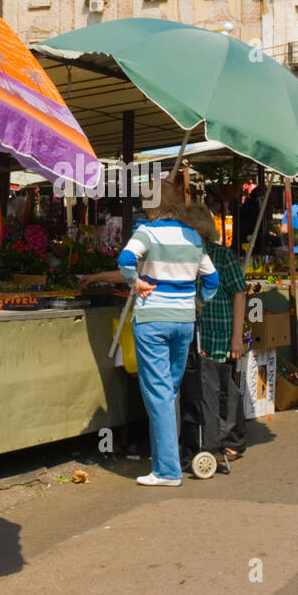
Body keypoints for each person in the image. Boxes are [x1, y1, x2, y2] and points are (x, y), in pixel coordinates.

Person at [117, 179, 218, 486]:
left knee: (159, 395)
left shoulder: (145, 232)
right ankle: (164, 460)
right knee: (168, 392)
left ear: (152, 203)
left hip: (152, 320)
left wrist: (135, 282)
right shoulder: (192, 236)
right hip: (184, 321)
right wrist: (198, 303)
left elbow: (124, 260)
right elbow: (212, 280)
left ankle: (168, 471)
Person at [186, 202, 249, 463]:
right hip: (193, 331)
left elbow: (239, 293)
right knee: (199, 388)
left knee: (223, 387)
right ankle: (205, 438)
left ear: (201, 230)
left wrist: (237, 336)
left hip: (219, 329)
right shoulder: (183, 257)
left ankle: (232, 439)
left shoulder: (221, 256)